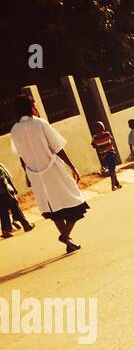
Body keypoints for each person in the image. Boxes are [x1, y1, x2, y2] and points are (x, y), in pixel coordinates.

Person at [9, 95, 88, 253]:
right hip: (53, 170)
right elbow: (57, 147)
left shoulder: (14, 130)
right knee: (76, 203)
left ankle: (67, 240)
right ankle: (65, 236)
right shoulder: (39, 123)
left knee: (52, 208)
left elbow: (21, 157)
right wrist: (72, 166)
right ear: (30, 106)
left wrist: (27, 175)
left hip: (35, 175)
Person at [0, 161, 34, 236]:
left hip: (3, 194)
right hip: (5, 193)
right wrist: (10, 194)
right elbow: (4, 181)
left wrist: (14, 190)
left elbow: (7, 180)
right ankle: (26, 225)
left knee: (4, 212)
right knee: (16, 209)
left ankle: (6, 230)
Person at [90, 121, 122, 190]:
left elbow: (93, 145)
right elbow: (111, 139)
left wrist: (100, 145)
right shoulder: (107, 134)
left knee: (111, 169)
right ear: (103, 127)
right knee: (112, 170)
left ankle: (117, 184)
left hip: (103, 156)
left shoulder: (95, 138)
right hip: (111, 153)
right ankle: (113, 186)